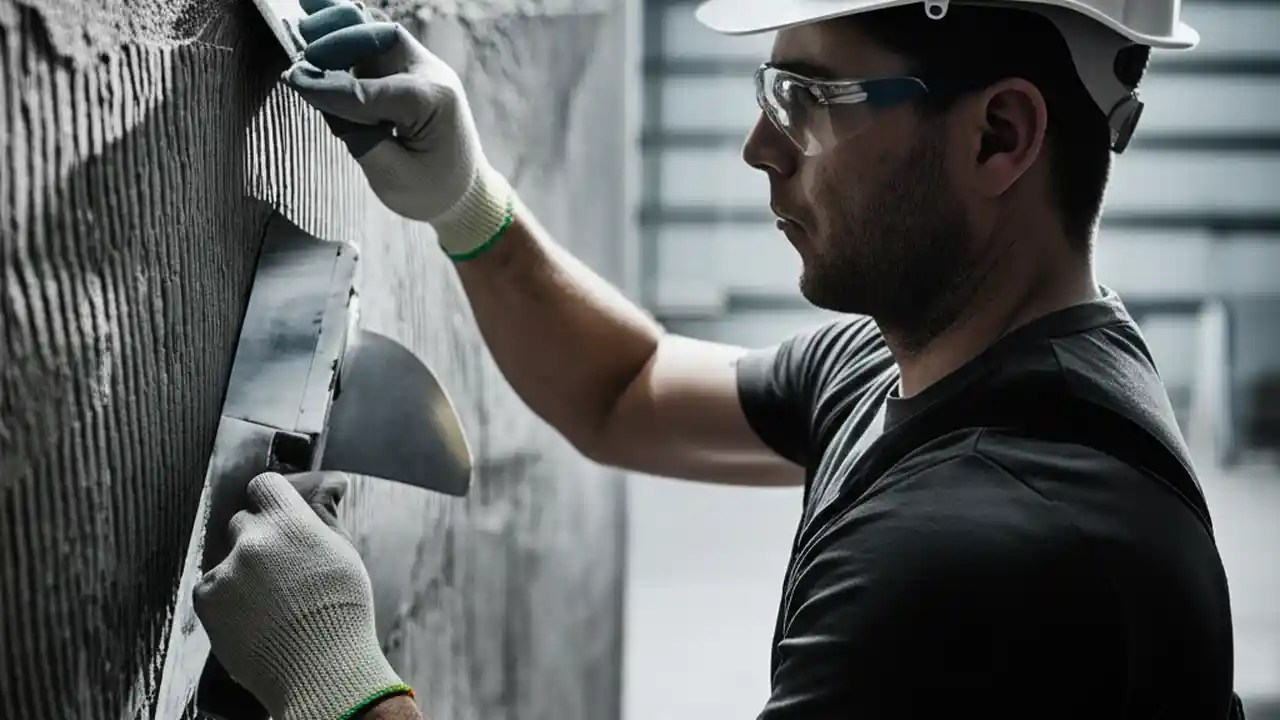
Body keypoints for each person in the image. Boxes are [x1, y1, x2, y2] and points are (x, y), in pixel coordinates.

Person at [194, 0, 1245, 717]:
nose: (758, 145)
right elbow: (625, 388)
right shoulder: (913, 370)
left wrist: (339, 680)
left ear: (998, 136)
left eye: (808, 98)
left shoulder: (976, 558)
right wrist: (465, 201)